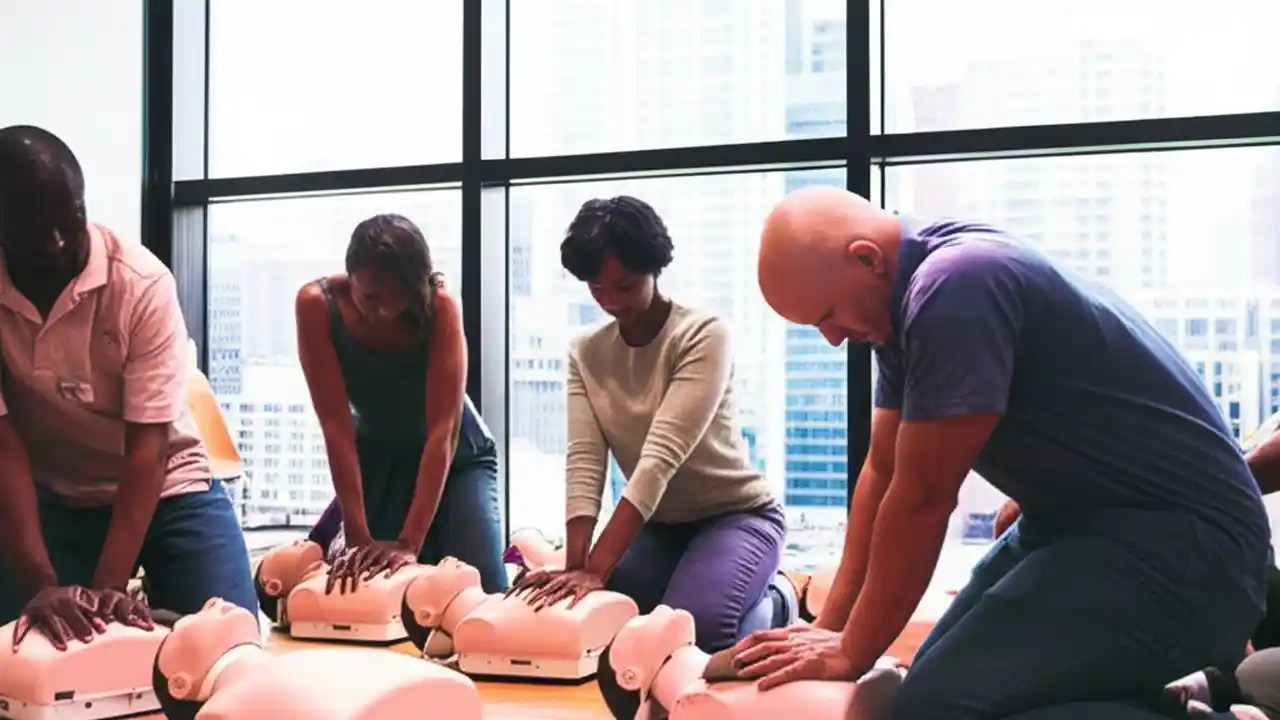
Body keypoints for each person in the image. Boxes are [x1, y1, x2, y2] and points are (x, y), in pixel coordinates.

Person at [727, 185, 1271, 719]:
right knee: (931, 687)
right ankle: (1176, 704)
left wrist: (853, 651)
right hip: (1081, 528)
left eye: (827, 315)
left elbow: (923, 496)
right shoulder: (901, 304)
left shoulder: (957, 285)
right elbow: (883, 469)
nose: (833, 339)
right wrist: (832, 629)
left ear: (866, 258)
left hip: (1191, 555)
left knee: (937, 708)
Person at [0, 125, 257, 651]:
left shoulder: (140, 282)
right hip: (51, 496)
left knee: (231, 646)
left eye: (67, 218)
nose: (55, 241)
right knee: (19, 647)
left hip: (168, 488)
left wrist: (106, 590)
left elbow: (149, 448)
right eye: (33, 225)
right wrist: (38, 581)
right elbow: (2, 443)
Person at [509, 196, 787, 654]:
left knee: (690, 631)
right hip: (658, 525)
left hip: (735, 515)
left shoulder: (703, 334)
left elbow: (659, 459)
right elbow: (584, 460)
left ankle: (777, 602)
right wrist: (576, 566)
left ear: (654, 267)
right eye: (599, 289)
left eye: (625, 284)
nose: (613, 301)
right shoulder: (586, 351)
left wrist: (598, 568)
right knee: (612, 622)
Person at [295, 213, 506, 595]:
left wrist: (410, 543)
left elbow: (443, 431)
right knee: (366, 586)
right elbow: (336, 426)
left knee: (481, 590)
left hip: (458, 457)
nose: (385, 311)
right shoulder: (316, 305)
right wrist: (357, 535)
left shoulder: (440, 306)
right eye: (371, 298)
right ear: (350, 275)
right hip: (379, 457)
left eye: (399, 298)